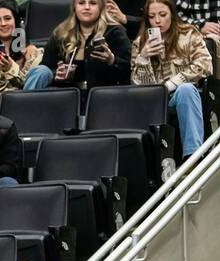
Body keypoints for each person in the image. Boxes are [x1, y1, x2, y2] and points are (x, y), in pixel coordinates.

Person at [131, 0, 210, 159]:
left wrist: (171, 84)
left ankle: (193, 155)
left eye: (162, 15)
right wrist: (143, 58)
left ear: (172, 15)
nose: (157, 21)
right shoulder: (140, 43)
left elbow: (205, 64)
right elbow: (137, 86)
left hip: (180, 96)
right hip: (153, 102)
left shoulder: (189, 33)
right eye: (152, 16)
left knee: (185, 89)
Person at [23, 0, 133, 90]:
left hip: (102, 96)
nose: (87, 7)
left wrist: (112, 61)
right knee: (42, 71)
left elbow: (128, 71)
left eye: (93, 3)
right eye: (81, 3)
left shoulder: (115, 32)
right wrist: (56, 74)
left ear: (101, 7)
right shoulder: (61, 33)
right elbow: (47, 65)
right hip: (65, 96)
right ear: (74, 7)